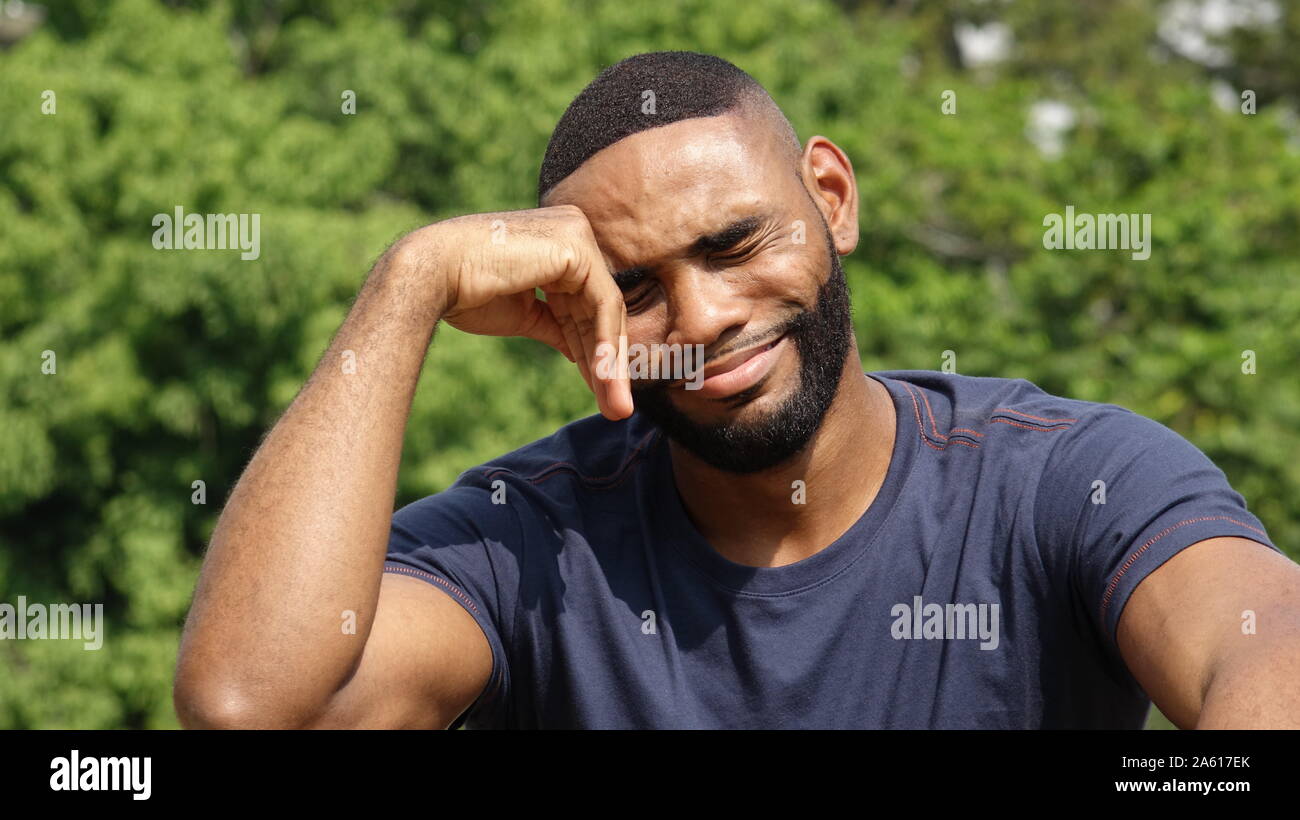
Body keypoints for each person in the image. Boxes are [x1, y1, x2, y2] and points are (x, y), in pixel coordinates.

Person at [174, 51, 1300, 729]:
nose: (703, 318)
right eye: (633, 287)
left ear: (831, 196)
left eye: (732, 241)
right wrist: (406, 285)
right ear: (572, 319)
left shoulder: (1066, 479)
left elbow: (1258, 645)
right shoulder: (530, 543)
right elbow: (251, 709)